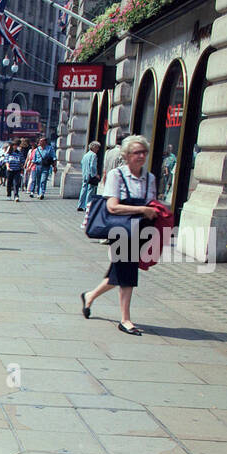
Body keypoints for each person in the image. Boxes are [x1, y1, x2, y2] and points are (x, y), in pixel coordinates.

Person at [80, 135, 160, 337]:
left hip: (140, 231)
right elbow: (112, 207)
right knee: (127, 273)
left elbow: (151, 206)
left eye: (144, 152)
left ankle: (89, 296)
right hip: (120, 230)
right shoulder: (117, 175)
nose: (141, 156)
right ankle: (125, 320)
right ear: (126, 155)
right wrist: (142, 209)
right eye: (136, 152)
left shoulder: (150, 178)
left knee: (118, 273)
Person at [77, 140, 102, 219]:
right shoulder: (94, 155)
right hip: (90, 175)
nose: (98, 149)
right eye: (97, 147)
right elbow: (92, 166)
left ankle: (80, 205)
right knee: (90, 190)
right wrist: (95, 175)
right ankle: (88, 205)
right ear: (94, 147)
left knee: (83, 189)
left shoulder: (86, 155)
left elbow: (82, 163)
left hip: (85, 174)